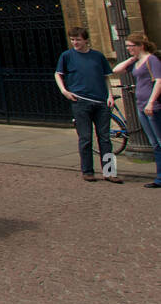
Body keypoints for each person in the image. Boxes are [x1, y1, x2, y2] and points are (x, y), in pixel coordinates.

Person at [55, 27, 122, 183]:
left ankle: (109, 172)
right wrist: (64, 91)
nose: (75, 43)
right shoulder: (67, 56)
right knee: (85, 138)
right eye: (72, 40)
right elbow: (58, 74)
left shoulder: (97, 56)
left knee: (105, 138)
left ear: (86, 40)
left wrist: (110, 95)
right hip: (80, 101)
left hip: (101, 102)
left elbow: (106, 77)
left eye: (78, 39)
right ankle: (87, 171)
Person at [114, 32, 161, 188]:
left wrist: (151, 102)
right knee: (154, 143)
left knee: (159, 142)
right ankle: (160, 177)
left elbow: (159, 81)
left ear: (140, 45)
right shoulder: (136, 62)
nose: (128, 48)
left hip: (152, 106)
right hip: (141, 105)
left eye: (130, 46)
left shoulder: (152, 59)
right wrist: (131, 59)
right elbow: (116, 69)